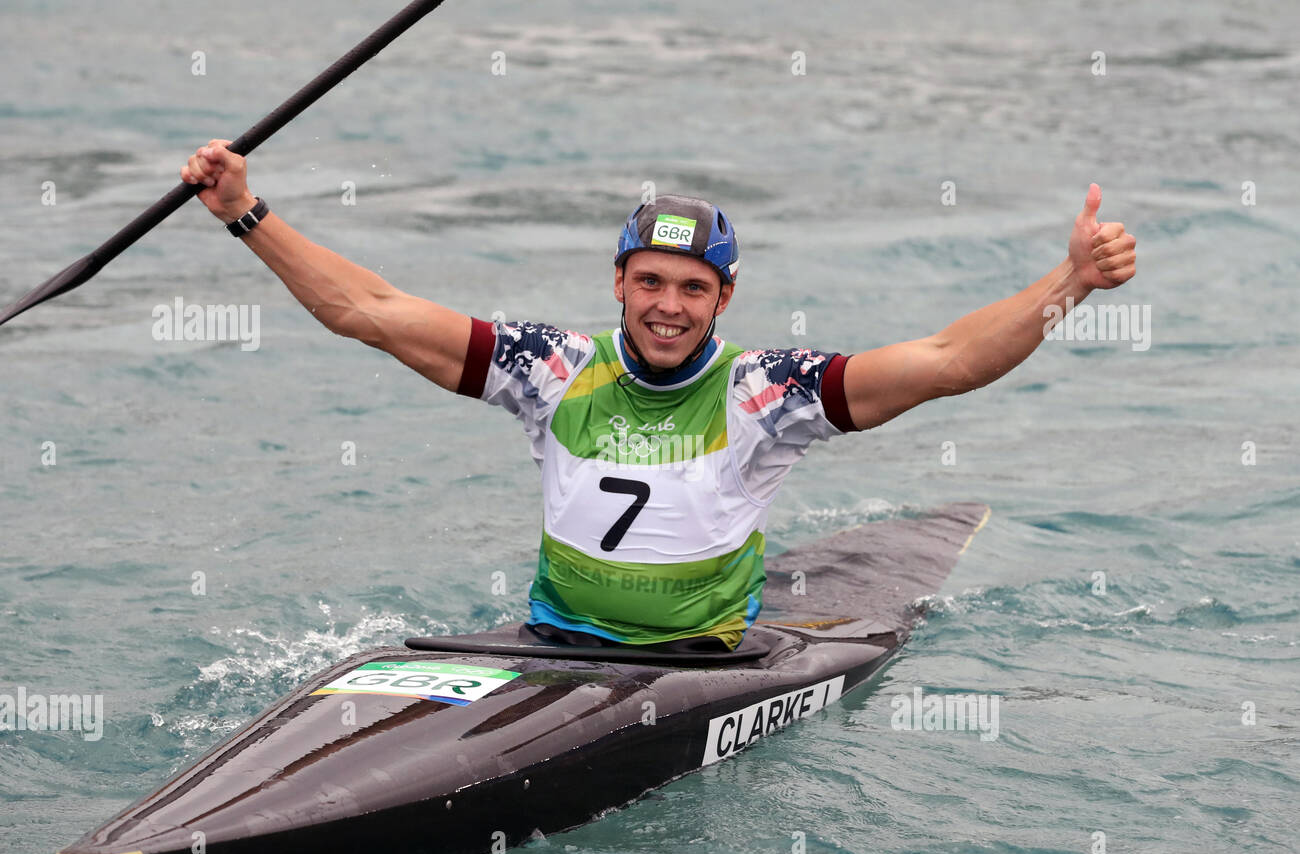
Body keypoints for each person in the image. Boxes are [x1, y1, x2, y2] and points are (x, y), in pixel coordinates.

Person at [181, 140, 1137, 652]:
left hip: (697, 665)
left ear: (725, 297)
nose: (668, 307)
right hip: (547, 643)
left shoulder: (771, 392)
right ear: (618, 283)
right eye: (650, 282)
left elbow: (946, 360)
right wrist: (245, 214)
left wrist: (1070, 282)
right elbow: (374, 311)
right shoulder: (548, 367)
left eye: (691, 288)